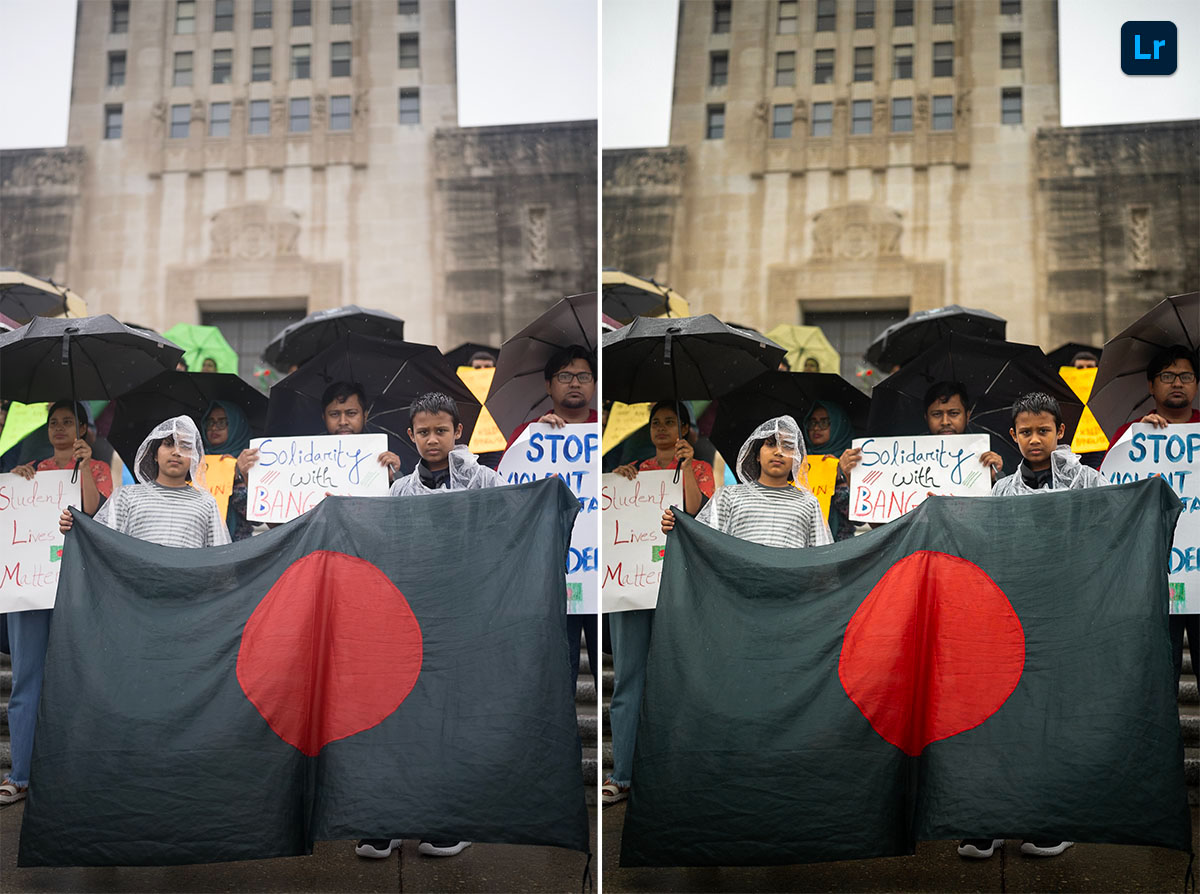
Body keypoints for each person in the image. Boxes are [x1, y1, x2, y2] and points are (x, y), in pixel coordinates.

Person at [957, 393, 1107, 860]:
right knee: (1004, 717)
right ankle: (994, 818)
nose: (1035, 438)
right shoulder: (1001, 490)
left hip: (1067, 617)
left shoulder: (1088, 481)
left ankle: (1051, 818)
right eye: (1027, 431)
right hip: (1013, 619)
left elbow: (1108, 533)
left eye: (1044, 430)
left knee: (1057, 718)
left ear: (1061, 432)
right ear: (1013, 436)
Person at [355, 393, 501, 861]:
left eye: (441, 429)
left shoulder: (485, 480)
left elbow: (505, 536)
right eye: (423, 431)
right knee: (403, 716)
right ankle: (393, 818)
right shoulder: (399, 491)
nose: (432, 439)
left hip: (465, 616)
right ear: (411, 435)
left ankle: (449, 818)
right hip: (410, 618)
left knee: (454, 718)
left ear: (458, 431)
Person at [0, 401, 115, 806]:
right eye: (54, 423)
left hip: (76, 587)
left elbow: (91, 513)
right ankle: (21, 774)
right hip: (27, 589)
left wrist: (83, 467)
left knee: (80, 678)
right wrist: (16, 482)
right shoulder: (28, 471)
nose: (61, 428)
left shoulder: (97, 470)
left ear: (83, 429)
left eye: (69, 422)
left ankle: (76, 772)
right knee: (26, 679)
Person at [604, 401, 715, 805]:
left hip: (678, 586)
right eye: (656, 423)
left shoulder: (700, 470)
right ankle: (622, 774)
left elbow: (694, 513)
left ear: (685, 429)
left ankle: (677, 772)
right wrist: (618, 482)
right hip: (629, 587)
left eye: (672, 422)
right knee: (628, 679)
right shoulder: (631, 471)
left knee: (680, 679)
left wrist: (686, 467)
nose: (663, 428)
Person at [506, 346, 599, 707]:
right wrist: (533, 440)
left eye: (583, 376)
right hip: (549, 574)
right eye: (564, 376)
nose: (574, 383)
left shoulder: (609, 434)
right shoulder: (528, 434)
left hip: (601, 571)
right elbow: (511, 491)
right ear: (548, 385)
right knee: (559, 677)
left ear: (593, 384)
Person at [1104, 345, 1199, 691]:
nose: (1177, 383)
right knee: (1160, 681)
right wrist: (1135, 444)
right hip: (1154, 584)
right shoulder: (1130, 436)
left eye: (1186, 376)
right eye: (1167, 376)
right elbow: (1111, 498)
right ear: (1151, 386)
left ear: (1196, 384)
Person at [662, 415, 832, 549]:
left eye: (787, 446)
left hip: (792, 592)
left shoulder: (809, 503)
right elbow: (702, 541)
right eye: (771, 444)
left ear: (797, 459)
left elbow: (821, 558)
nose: (779, 452)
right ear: (757, 455)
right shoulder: (728, 496)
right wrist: (678, 528)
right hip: (736, 591)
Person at [59, 416, 231, 548]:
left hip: (189, 594)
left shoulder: (206, 503)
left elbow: (219, 560)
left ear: (194, 458)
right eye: (169, 444)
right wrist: (76, 528)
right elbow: (100, 543)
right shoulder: (126, 497)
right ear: (155, 454)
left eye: (185, 446)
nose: (177, 452)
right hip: (134, 593)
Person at [802, 401, 859, 542]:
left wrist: (839, 475)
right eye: (812, 422)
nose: (816, 428)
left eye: (824, 422)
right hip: (801, 546)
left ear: (839, 426)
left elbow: (858, 518)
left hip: (838, 548)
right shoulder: (796, 460)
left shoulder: (853, 459)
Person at [200, 401, 258, 541]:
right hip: (198, 546)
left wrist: (237, 476)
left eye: (222, 422)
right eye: (210, 422)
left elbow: (256, 518)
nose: (214, 428)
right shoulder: (193, 459)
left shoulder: (250, 459)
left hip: (235, 548)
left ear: (236, 426)